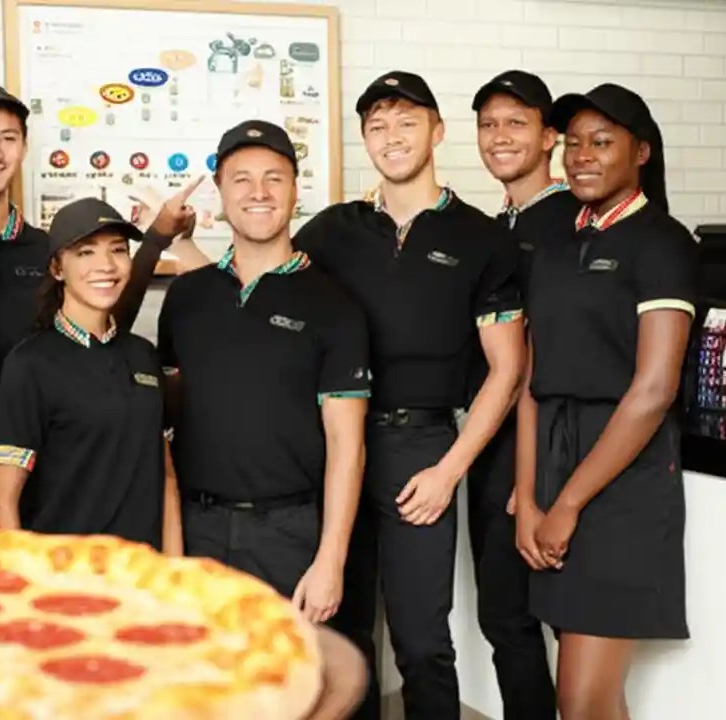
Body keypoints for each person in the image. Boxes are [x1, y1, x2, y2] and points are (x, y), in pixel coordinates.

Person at [293, 71, 527, 720]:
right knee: (341, 635)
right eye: (377, 127)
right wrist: (179, 241)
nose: (391, 138)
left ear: (437, 132)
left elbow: (506, 372)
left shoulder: (482, 238)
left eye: (406, 123)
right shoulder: (331, 232)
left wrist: (448, 471)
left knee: (423, 642)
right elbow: (258, 292)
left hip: (420, 447)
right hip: (332, 445)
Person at [515, 83, 696, 719]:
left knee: (581, 697)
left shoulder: (663, 242)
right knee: (596, 699)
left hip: (623, 478)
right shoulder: (559, 242)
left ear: (641, 151)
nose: (582, 156)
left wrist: (565, 503)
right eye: (573, 143)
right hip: (557, 465)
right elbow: (533, 379)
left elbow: (652, 393)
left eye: (602, 141)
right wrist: (528, 496)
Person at [157, 120, 370, 620]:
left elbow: (348, 447)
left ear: (296, 190)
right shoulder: (188, 297)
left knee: (289, 690)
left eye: (274, 178)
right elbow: (164, 428)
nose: (258, 192)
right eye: (241, 178)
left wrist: (330, 560)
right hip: (196, 530)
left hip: (290, 535)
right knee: (204, 687)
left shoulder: (335, 305)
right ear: (220, 192)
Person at [0, 83, 202, 369]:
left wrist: (156, 239)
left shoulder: (49, 252)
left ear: (24, 147)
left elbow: (105, 327)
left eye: (8, 138)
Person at [465, 69, 578, 720]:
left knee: (556, 618)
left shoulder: (571, 222)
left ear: (549, 137)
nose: (499, 136)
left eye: (516, 122)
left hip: (541, 449)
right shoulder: (491, 229)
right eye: (488, 124)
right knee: (504, 617)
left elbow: (560, 353)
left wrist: (535, 474)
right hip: (492, 444)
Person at [0, 198, 179, 551]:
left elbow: (165, 478)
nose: (105, 265)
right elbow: (3, 501)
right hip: (65, 581)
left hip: (142, 580)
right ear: (57, 269)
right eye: (85, 253)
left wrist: (177, 575)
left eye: (117, 250)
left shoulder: (142, 355)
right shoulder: (30, 364)